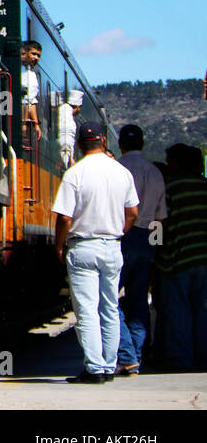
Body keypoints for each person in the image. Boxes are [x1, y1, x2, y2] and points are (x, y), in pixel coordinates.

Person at [52, 122, 138, 382]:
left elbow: (65, 218)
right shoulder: (122, 173)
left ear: (79, 144)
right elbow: (133, 212)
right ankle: (110, 367)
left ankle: (95, 368)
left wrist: (58, 245)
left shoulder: (75, 174)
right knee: (110, 307)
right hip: (112, 246)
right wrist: (117, 232)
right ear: (103, 141)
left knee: (87, 310)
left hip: (83, 247)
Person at [113, 124, 167, 375]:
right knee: (138, 302)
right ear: (143, 144)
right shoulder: (155, 172)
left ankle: (127, 354)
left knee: (108, 299)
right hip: (147, 238)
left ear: (120, 144)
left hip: (120, 236)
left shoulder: (116, 170)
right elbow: (159, 219)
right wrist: (155, 249)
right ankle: (136, 353)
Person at [157, 143, 207, 371]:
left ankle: (182, 360)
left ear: (176, 163)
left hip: (177, 259)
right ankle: (203, 356)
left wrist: (155, 251)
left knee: (180, 313)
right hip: (203, 258)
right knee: (202, 312)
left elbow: (159, 225)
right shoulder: (204, 187)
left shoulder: (169, 188)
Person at [20, 41, 43, 143]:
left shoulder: (32, 75)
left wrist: (36, 124)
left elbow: (31, 101)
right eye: (33, 54)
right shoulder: (20, 72)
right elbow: (22, 101)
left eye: (38, 55)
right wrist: (23, 125)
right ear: (24, 53)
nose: (36, 58)